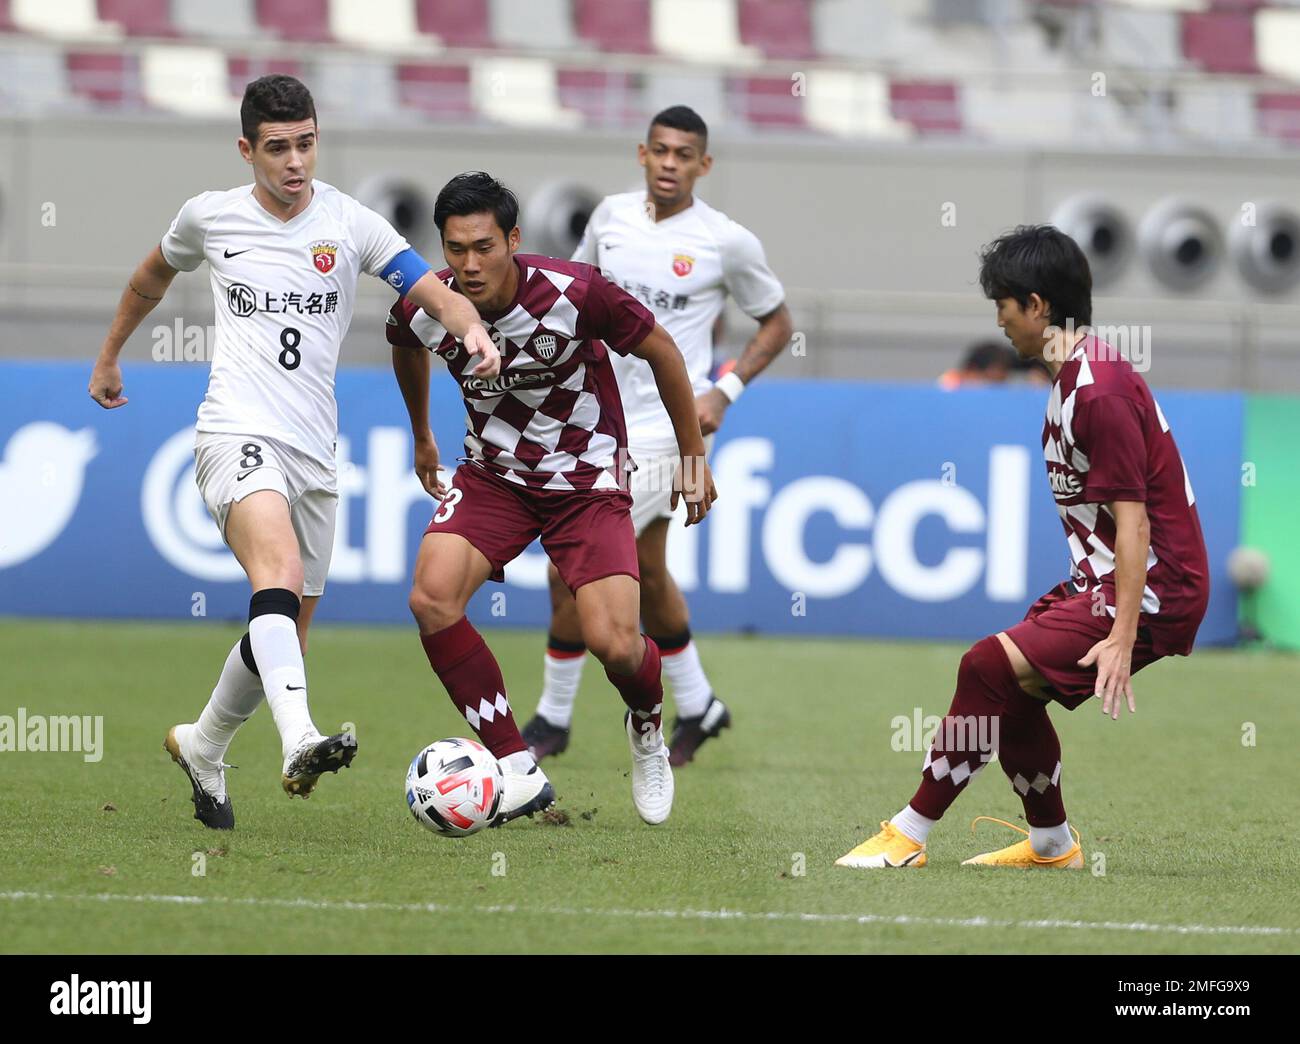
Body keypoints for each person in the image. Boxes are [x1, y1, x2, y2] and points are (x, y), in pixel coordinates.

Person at [86, 75, 499, 830]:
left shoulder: (350, 224)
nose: (296, 162)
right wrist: (111, 354)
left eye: (306, 143)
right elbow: (152, 274)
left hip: (314, 454)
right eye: (277, 148)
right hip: (234, 433)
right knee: (272, 575)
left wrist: (468, 327)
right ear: (246, 149)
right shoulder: (210, 218)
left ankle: (204, 744)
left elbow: (430, 291)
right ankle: (299, 738)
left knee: (285, 636)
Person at [837, 225, 1210, 869]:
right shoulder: (1073, 382)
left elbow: (1135, 523)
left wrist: (1122, 634)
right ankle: (1051, 845)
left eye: (1003, 305)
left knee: (985, 664)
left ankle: (909, 834)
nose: (1001, 321)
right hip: (1116, 581)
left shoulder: (1101, 391)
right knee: (1010, 690)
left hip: (1153, 586)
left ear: (1036, 306)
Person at [387, 172, 716, 826]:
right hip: (493, 477)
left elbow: (662, 350)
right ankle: (515, 764)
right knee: (431, 599)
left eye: (485, 246)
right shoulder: (430, 303)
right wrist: (423, 435)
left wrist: (692, 457)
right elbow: (405, 346)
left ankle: (646, 726)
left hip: (584, 481)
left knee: (616, 646)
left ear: (513, 238)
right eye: (456, 250)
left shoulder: (574, 292)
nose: (471, 264)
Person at [521, 105, 791, 767]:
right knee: (646, 569)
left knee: (569, 563)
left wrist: (721, 392)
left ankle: (552, 719)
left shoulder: (726, 241)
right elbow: (575, 296)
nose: (671, 163)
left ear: (705, 165)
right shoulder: (608, 218)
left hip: (666, 431)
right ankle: (699, 705)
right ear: (642, 154)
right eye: (661, 151)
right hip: (593, 421)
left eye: (684, 154)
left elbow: (778, 323)